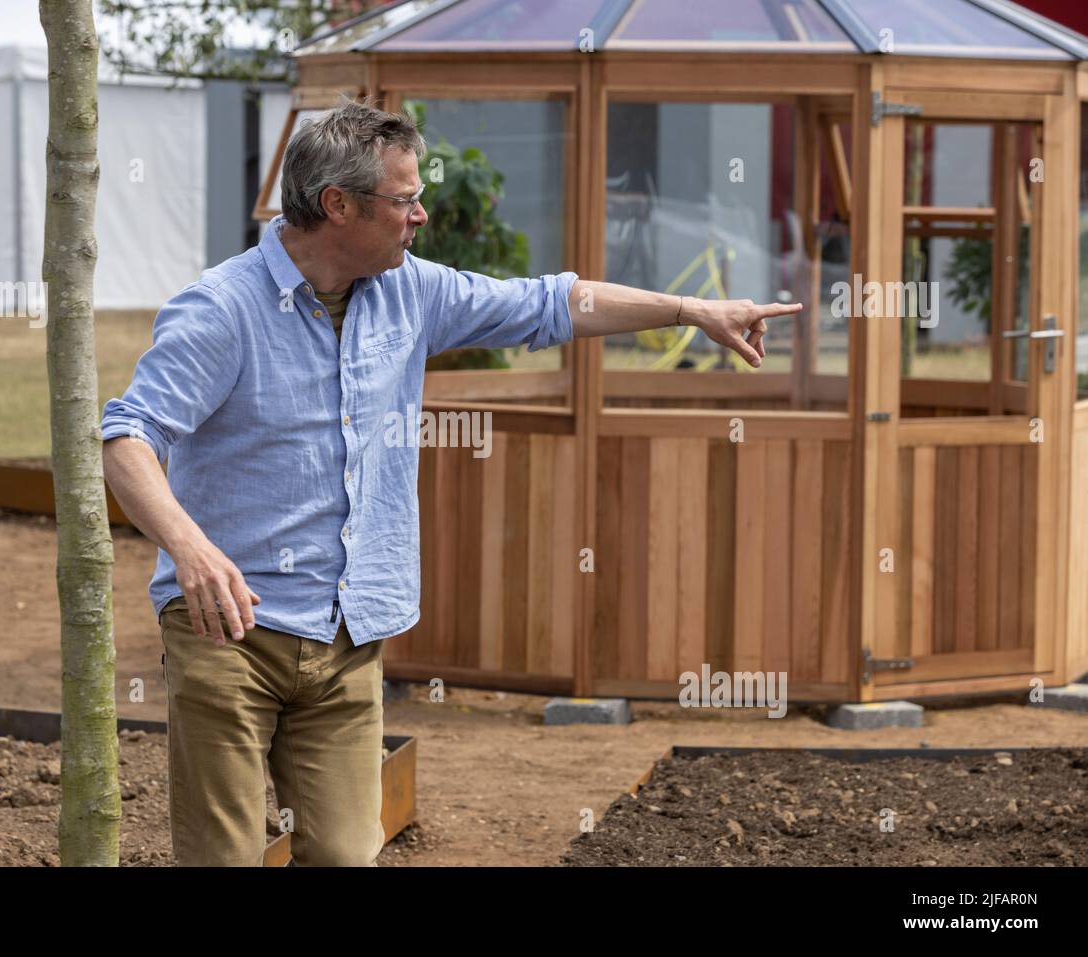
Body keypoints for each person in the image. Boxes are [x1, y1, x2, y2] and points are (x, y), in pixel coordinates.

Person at [101, 99, 799, 867]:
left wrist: (691, 309)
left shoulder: (411, 292)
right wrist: (189, 546)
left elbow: (550, 303)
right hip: (228, 632)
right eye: (404, 200)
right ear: (339, 205)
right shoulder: (221, 311)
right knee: (222, 860)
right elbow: (129, 436)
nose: (421, 214)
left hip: (346, 637)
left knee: (342, 854)